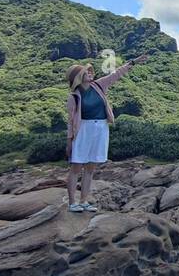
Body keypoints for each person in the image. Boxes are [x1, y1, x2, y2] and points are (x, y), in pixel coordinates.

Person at [63, 53, 148, 212]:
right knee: (76, 167)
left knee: (90, 167)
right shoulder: (74, 96)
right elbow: (70, 121)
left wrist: (133, 62)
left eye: (90, 72)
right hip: (83, 130)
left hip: (101, 127)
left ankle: (84, 201)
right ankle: (72, 203)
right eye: (85, 73)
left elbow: (116, 74)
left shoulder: (99, 85)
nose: (89, 74)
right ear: (78, 77)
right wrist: (69, 141)